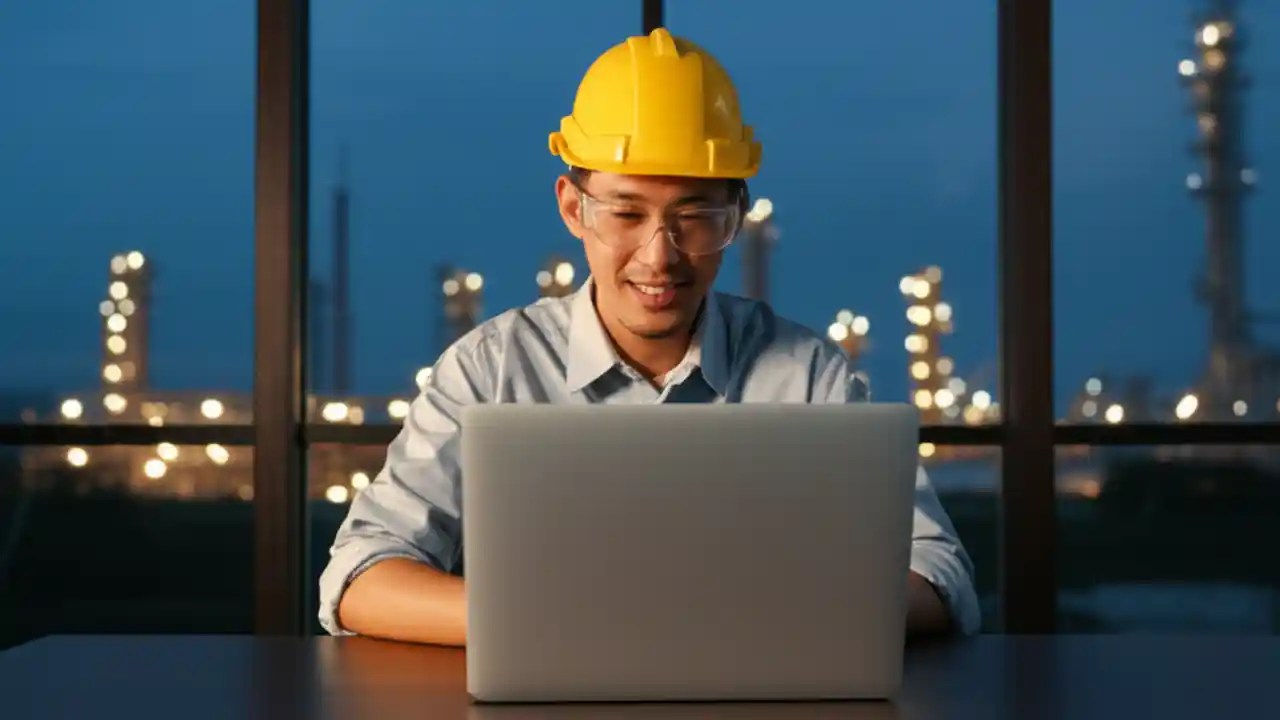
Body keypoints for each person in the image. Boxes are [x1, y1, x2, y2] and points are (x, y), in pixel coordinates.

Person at [319, 27, 980, 645]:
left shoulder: (807, 375)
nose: (659, 257)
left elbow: (937, 573)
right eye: (627, 214)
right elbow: (359, 575)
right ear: (573, 208)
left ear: (737, 216)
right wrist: (563, 625)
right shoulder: (491, 371)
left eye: (695, 217)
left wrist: (748, 628)